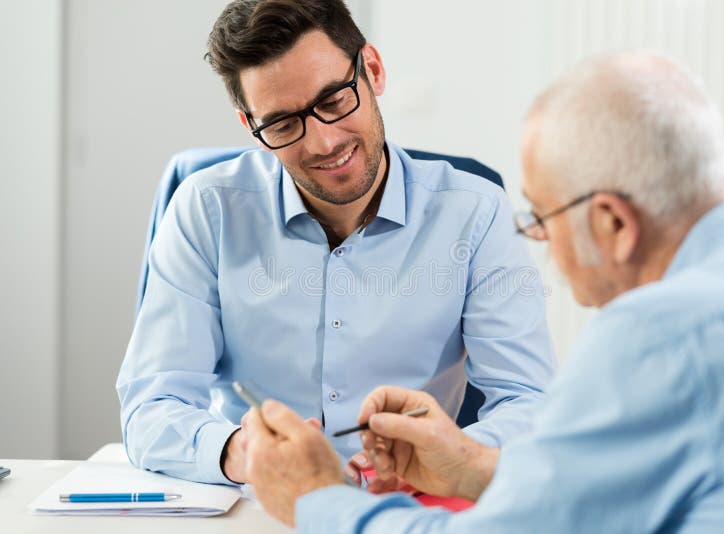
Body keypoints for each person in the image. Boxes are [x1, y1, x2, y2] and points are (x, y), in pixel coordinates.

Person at [240, 52, 724, 532]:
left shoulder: (657, 334)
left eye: (541, 215)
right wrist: (474, 467)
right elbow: (603, 488)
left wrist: (316, 497)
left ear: (612, 225)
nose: (536, 237)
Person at [116, 0, 554, 486]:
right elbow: (151, 408)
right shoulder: (206, 209)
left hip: (411, 505)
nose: (323, 143)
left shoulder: (477, 212)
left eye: (333, 101)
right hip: (258, 506)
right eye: (283, 124)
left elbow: (528, 402)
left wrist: (453, 457)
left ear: (373, 70)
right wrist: (240, 452)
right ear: (253, 130)